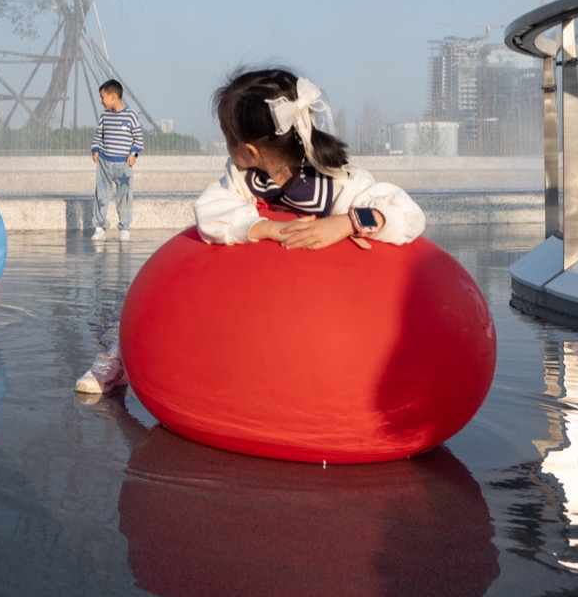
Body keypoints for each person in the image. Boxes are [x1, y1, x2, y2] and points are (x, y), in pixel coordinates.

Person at [74, 66, 425, 394]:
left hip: (314, 315)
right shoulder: (243, 175)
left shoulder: (337, 181)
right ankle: (124, 356)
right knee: (170, 301)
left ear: (249, 150)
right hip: (246, 299)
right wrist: (263, 227)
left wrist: (348, 222)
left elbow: (407, 213)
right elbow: (210, 209)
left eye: (227, 137)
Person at [90, 79, 144, 240]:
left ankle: (124, 228)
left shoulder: (131, 115)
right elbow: (98, 136)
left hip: (124, 164)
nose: (101, 101)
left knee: (125, 196)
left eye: (103, 97)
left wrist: (133, 154)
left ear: (113, 97)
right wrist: (95, 149)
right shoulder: (104, 116)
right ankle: (99, 226)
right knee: (101, 194)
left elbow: (139, 139)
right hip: (105, 163)